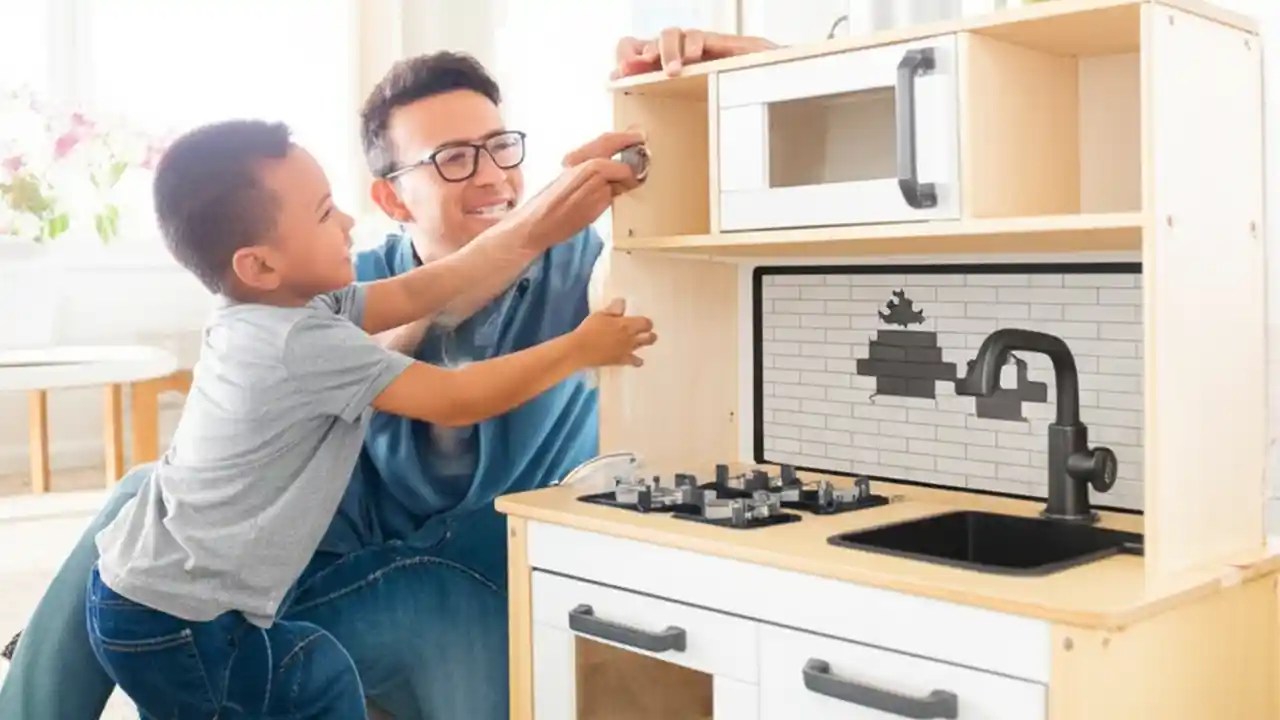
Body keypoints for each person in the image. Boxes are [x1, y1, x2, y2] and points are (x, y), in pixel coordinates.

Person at [0, 29, 776, 720]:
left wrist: (739, 76)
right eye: (451, 159)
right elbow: (425, 380)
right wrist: (476, 324)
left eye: (502, 145)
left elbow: (701, 223)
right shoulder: (325, 292)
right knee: (144, 499)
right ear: (388, 197)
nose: (492, 176)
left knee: (419, 586)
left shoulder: (591, 268)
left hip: (452, 572)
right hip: (292, 578)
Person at [83, 118, 655, 718]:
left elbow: (430, 287)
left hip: (155, 598)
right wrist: (580, 348)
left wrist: (548, 214)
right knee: (314, 685)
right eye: (326, 213)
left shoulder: (286, 311)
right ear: (259, 265)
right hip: (179, 619)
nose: (349, 224)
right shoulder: (298, 344)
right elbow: (456, 398)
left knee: (313, 670)